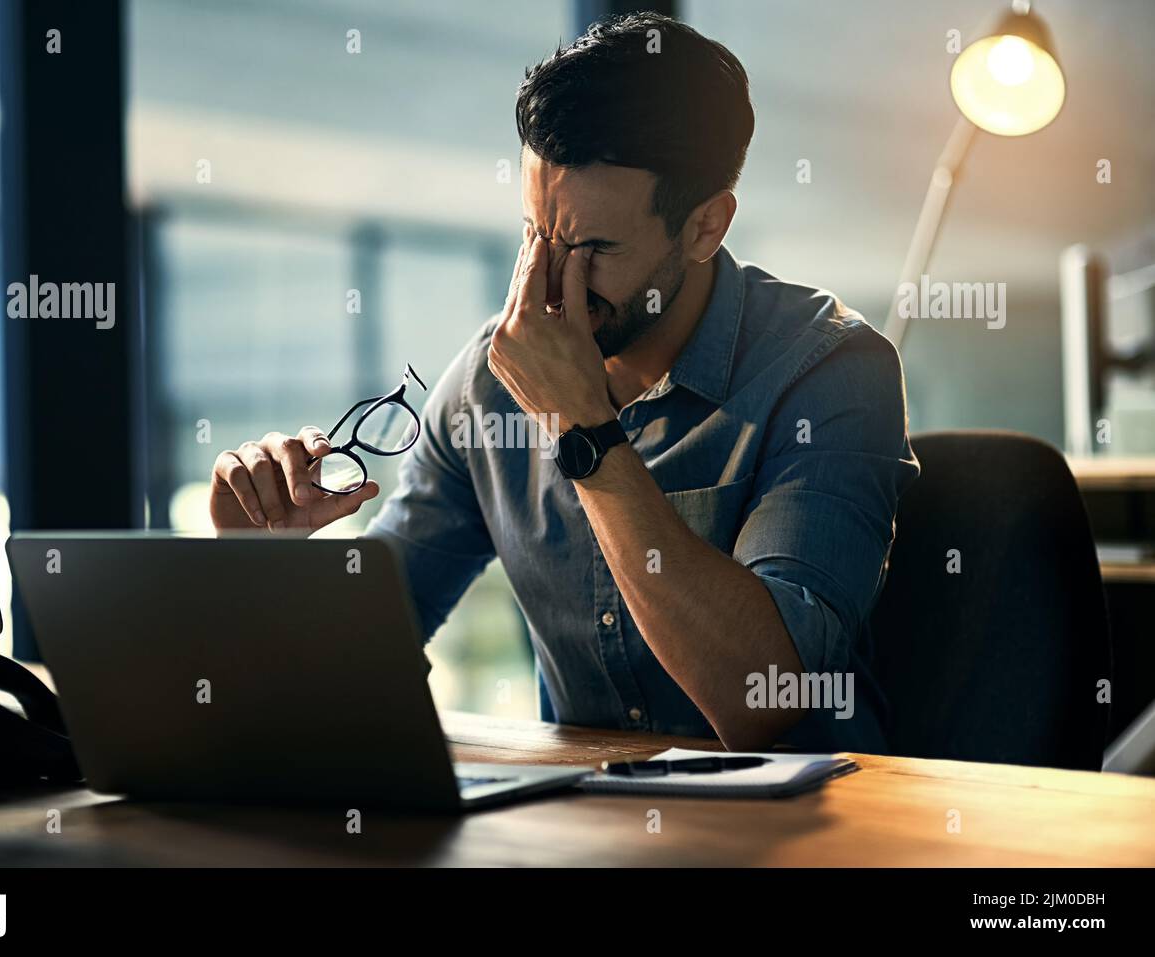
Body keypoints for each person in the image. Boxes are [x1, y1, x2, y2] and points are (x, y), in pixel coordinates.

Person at [208, 12, 919, 752]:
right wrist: (269, 568)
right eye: (534, 235)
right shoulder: (488, 385)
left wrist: (584, 432)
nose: (549, 286)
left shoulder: (832, 372)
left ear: (706, 227)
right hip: (579, 830)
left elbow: (763, 698)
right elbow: (360, 660)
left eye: (592, 248)